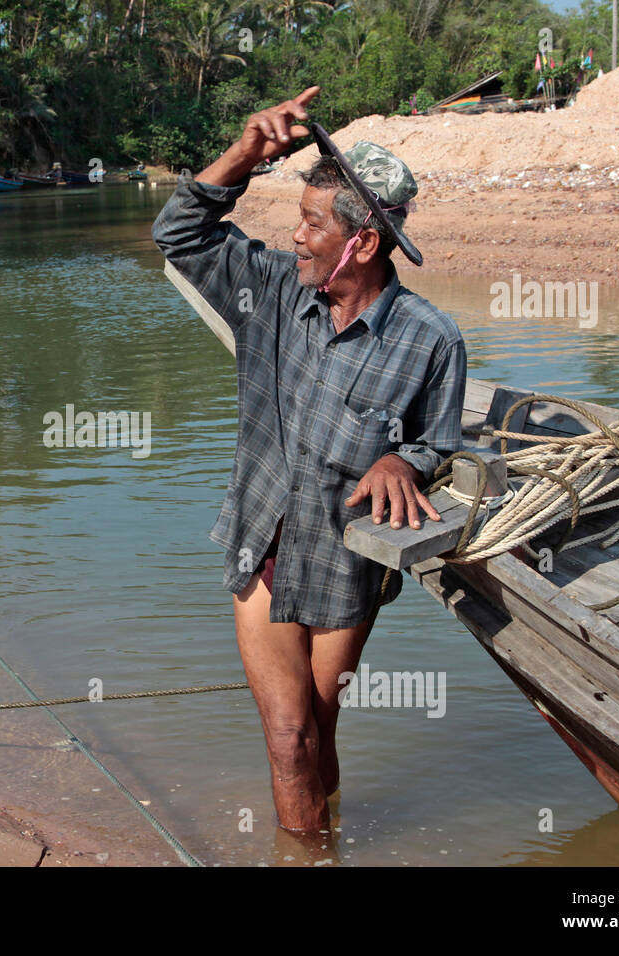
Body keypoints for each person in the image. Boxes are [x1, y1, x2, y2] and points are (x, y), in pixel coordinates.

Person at [152, 86, 467, 837]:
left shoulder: (431, 339)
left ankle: (318, 840)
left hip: (344, 566)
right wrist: (245, 154)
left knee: (320, 733)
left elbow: (439, 441)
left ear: (359, 241)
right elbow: (179, 233)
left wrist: (404, 461)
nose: (294, 237)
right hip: (262, 542)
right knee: (289, 738)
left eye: (312, 224)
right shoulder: (266, 291)